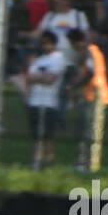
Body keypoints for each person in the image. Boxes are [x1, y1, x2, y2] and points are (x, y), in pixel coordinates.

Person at [66, 28, 108, 172]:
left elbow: (90, 73)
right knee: (85, 130)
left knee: (90, 132)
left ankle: (90, 165)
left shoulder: (90, 51)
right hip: (89, 95)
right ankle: (83, 162)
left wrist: (73, 86)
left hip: (96, 96)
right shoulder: (88, 52)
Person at [25, 30, 64, 170]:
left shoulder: (58, 58)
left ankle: (49, 161)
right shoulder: (39, 60)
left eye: (48, 43)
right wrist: (41, 77)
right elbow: (28, 78)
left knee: (48, 135)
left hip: (49, 103)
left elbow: (51, 80)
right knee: (37, 135)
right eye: (43, 43)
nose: (45, 46)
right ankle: (37, 161)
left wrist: (37, 78)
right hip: (34, 101)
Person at [31, 0, 88, 66]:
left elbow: (87, 36)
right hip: (51, 54)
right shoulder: (50, 16)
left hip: (73, 54)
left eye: (57, 2)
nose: (55, 4)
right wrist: (25, 35)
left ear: (66, 1)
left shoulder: (78, 16)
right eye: (54, 2)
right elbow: (37, 33)